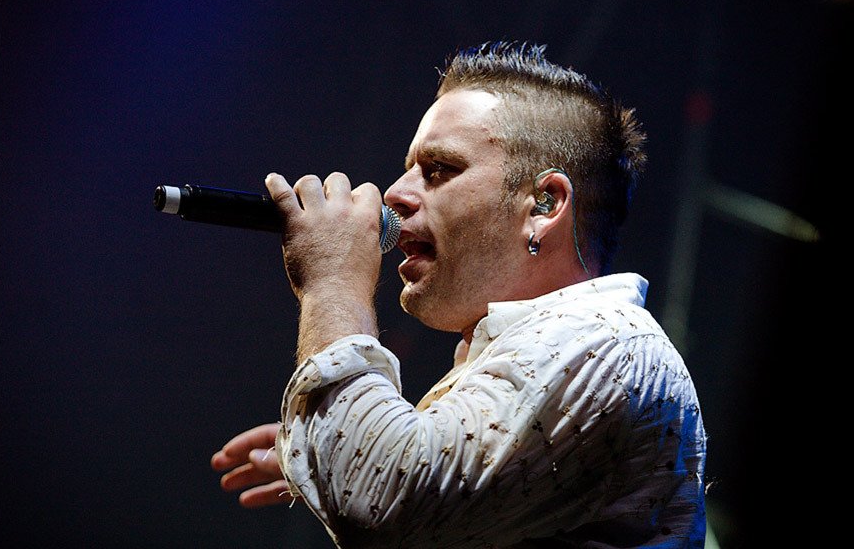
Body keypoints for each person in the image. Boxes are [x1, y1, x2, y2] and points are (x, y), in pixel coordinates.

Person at [211, 42, 706, 548]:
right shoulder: (553, 347)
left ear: (544, 203)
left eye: (439, 169)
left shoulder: (602, 343)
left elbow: (382, 501)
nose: (394, 194)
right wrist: (331, 443)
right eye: (409, 168)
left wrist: (335, 284)